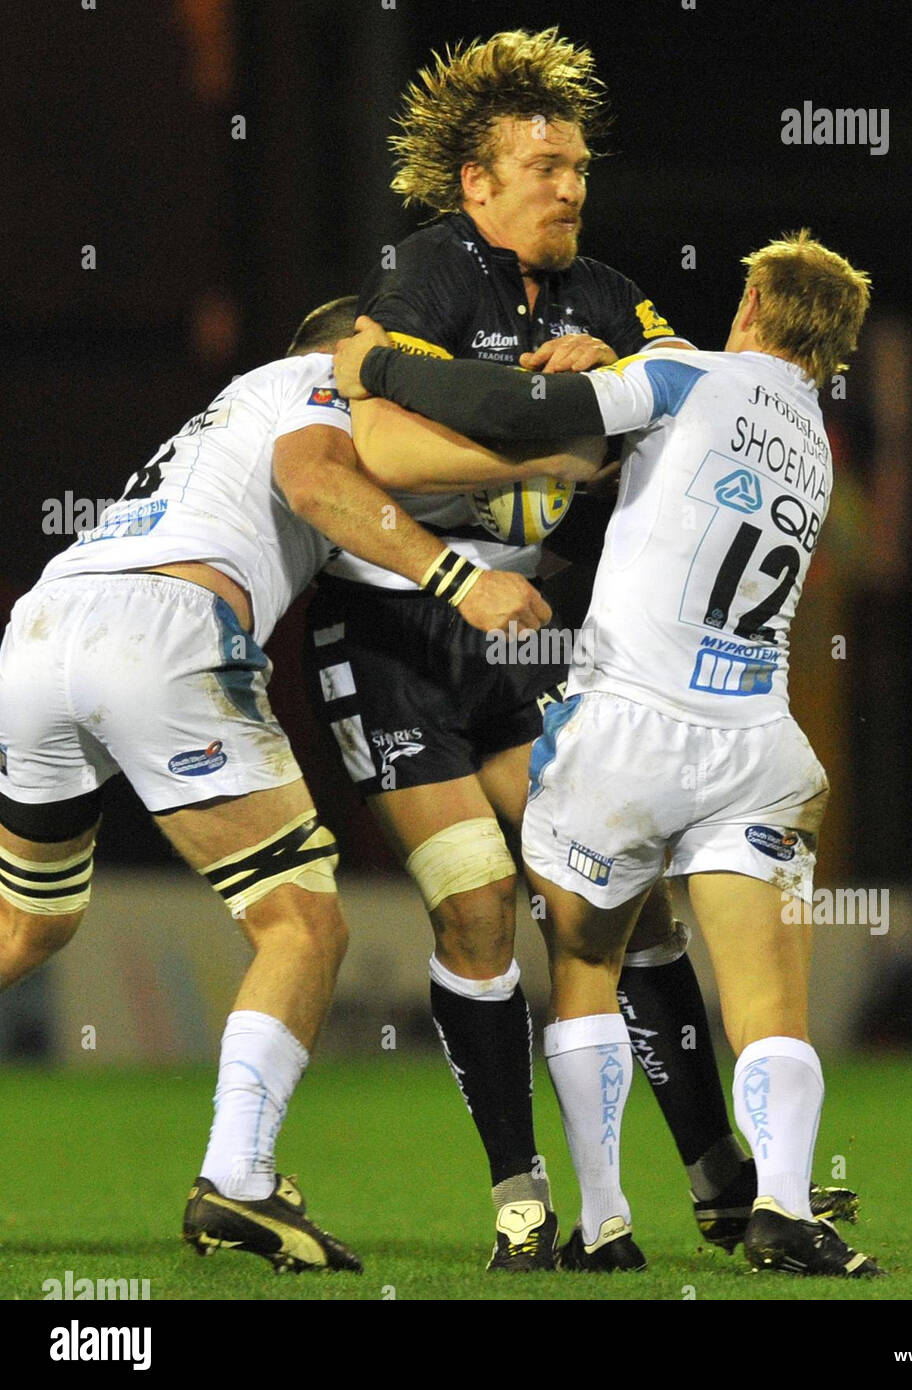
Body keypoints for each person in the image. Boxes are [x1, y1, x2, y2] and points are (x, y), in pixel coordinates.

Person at [307, 25, 853, 1271]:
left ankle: (712, 1173)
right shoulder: (426, 276)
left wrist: (601, 382)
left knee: (617, 903)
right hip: (398, 625)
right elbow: (379, 448)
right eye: (540, 164)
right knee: (486, 908)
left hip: (525, 629)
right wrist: (559, 432)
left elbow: (679, 406)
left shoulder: (610, 297)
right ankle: (525, 1200)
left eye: (576, 165)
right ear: (476, 185)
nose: (567, 184)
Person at [0, 298, 553, 1276]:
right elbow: (314, 481)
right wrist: (462, 579)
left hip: (45, 628)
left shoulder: (225, 414)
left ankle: (239, 1179)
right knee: (301, 925)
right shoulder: (313, 385)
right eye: (393, 354)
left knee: (25, 924)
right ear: (344, 350)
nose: (405, 373)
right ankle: (237, 1179)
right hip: (165, 626)